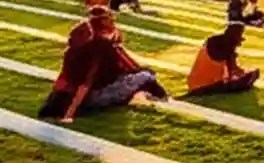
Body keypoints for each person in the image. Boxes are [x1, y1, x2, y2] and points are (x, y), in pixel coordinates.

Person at [38, 7, 168, 123]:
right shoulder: (101, 47)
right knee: (146, 75)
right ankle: (164, 99)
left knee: (132, 76)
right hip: (91, 99)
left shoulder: (77, 46)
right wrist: (69, 115)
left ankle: (154, 97)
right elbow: (85, 84)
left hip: (60, 98)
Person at [187, 23, 260, 95]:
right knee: (249, 77)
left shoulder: (215, 41)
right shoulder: (225, 48)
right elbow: (232, 72)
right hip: (206, 87)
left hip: (194, 84)